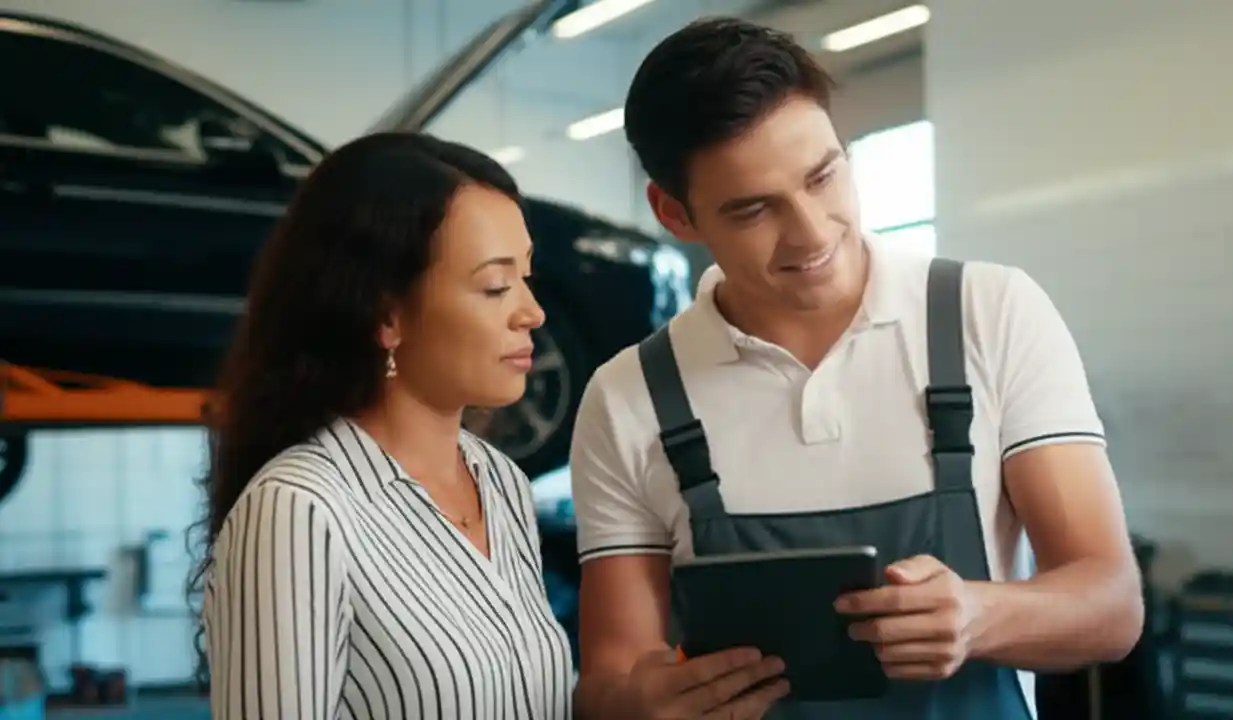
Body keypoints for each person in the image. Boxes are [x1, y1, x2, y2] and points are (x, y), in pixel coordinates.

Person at [569, 17, 1143, 720]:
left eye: (824, 176)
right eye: (753, 209)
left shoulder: (988, 315)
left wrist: (977, 615)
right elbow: (608, 679)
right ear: (674, 214)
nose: (812, 232)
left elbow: (1112, 606)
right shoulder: (630, 397)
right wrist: (643, 700)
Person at [194, 132, 574, 720]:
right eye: (496, 286)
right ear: (386, 315)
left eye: (527, 278)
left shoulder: (500, 483)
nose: (532, 312)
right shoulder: (300, 510)